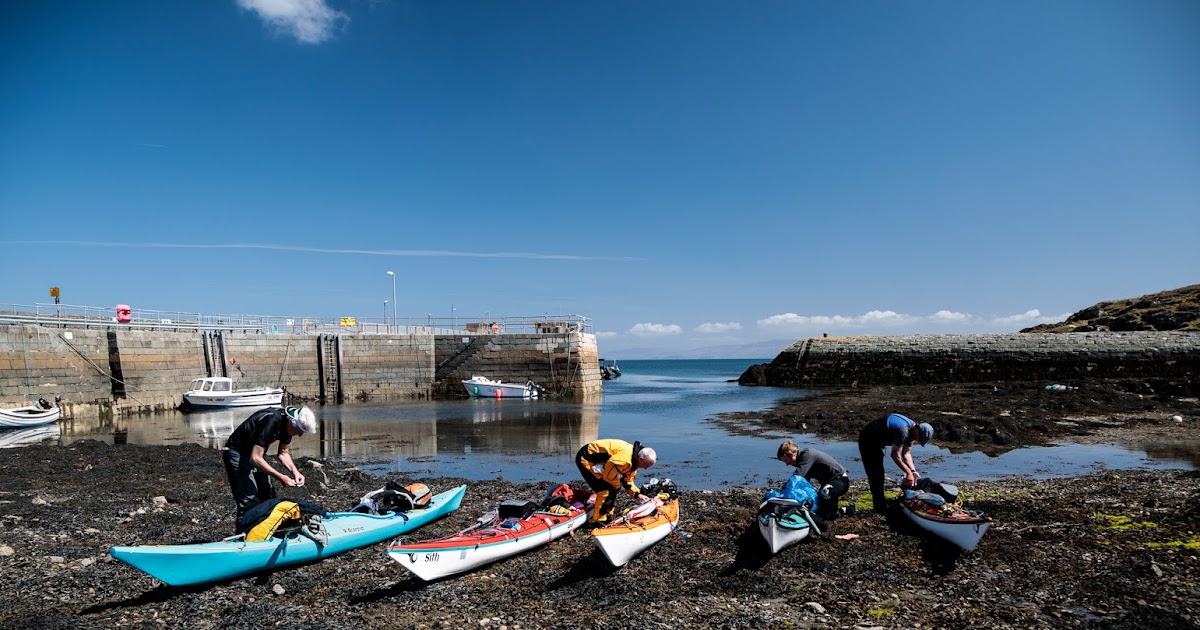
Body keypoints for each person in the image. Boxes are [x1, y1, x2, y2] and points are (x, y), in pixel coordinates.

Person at [222, 405, 316, 519]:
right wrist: (281, 477)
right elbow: (255, 458)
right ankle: (246, 534)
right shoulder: (272, 421)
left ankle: (266, 529)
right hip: (237, 452)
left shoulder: (289, 426)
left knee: (268, 495)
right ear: (292, 422)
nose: (300, 435)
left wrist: (295, 472)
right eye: (300, 431)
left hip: (254, 453)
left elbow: (283, 453)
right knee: (249, 499)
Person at [857, 413, 933, 513]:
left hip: (879, 443)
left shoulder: (912, 431)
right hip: (867, 440)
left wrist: (913, 471)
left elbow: (906, 453)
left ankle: (881, 505)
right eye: (919, 439)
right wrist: (908, 473)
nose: (917, 441)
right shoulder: (903, 431)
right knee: (876, 476)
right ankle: (880, 509)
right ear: (917, 431)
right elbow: (895, 455)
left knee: (879, 474)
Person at [575, 438, 656, 525]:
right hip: (585, 459)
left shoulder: (634, 461)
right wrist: (617, 486)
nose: (645, 468)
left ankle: (607, 514)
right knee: (604, 490)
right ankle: (599, 520)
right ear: (641, 459)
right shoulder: (624, 460)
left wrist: (637, 495)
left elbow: (627, 481)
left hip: (604, 462)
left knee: (613, 488)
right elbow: (609, 477)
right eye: (646, 465)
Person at [776, 440, 850, 520]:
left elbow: (797, 477)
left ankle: (833, 513)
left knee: (825, 493)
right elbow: (803, 483)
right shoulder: (803, 462)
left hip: (840, 481)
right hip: (829, 484)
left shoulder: (807, 455)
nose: (787, 464)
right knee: (823, 513)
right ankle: (846, 510)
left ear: (791, 455)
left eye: (786, 461)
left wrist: (783, 490)